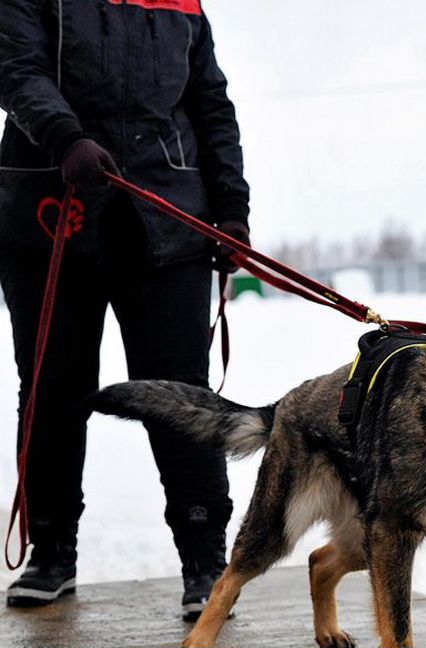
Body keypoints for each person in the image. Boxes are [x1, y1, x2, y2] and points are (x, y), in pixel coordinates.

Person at [0, 0, 250, 620]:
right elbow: (17, 70)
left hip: (166, 222)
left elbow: (210, 107)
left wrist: (231, 207)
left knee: (181, 396)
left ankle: (204, 559)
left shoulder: (182, 5)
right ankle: (52, 550)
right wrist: (67, 137)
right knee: (52, 390)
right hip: (52, 216)